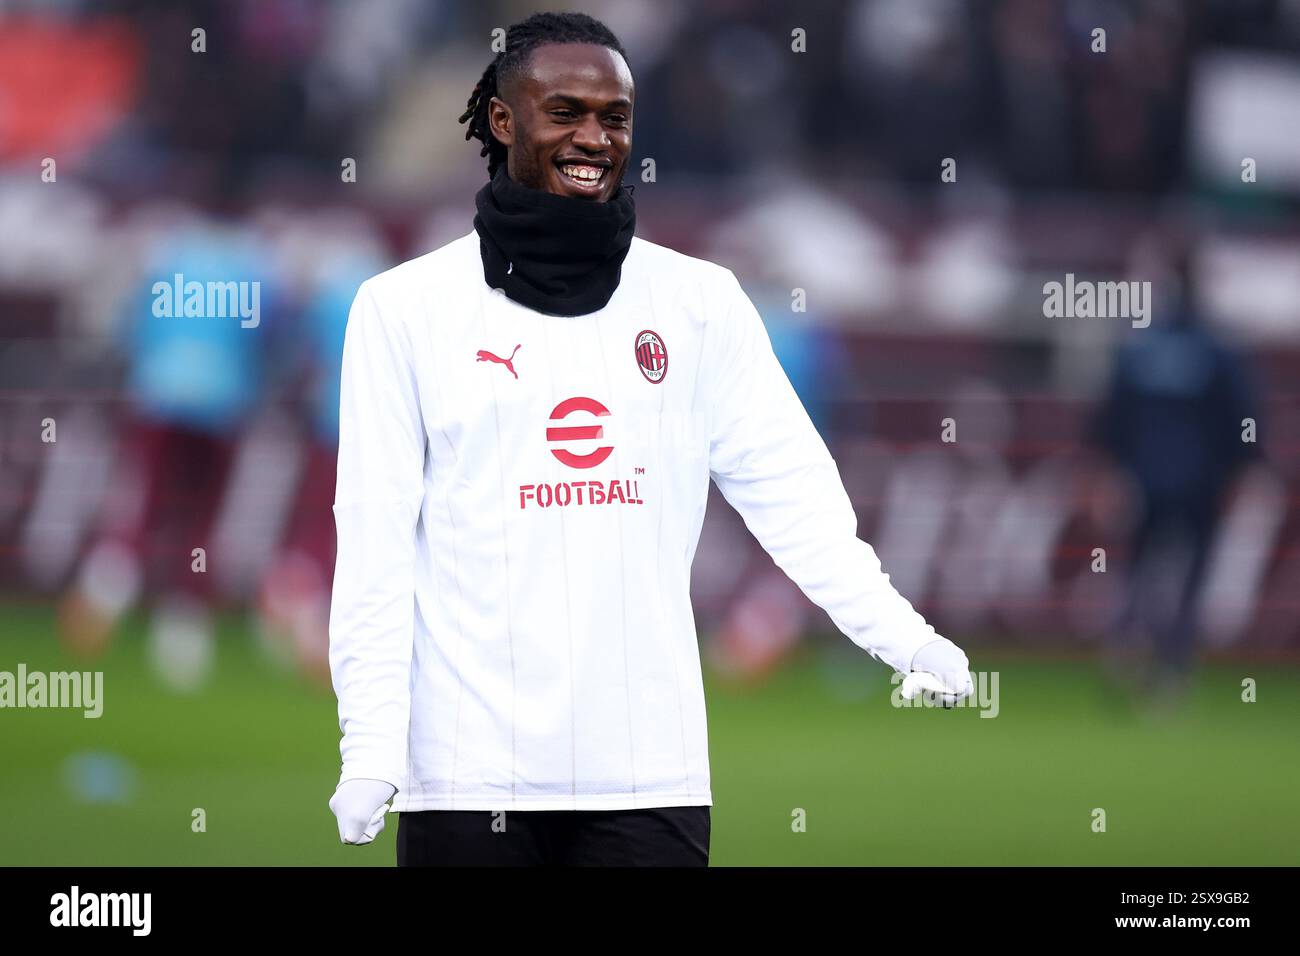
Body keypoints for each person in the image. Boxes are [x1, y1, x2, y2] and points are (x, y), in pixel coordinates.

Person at [327, 11, 972, 867]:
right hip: (467, 776)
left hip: (649, 778)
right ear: (503, 120)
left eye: (615, 116)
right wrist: (371, 748)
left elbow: (796, 500)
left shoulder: (699, 304)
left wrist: (905, 637)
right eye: (565, 111)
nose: (593, 136)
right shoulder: (403, 310)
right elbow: (373, 551)